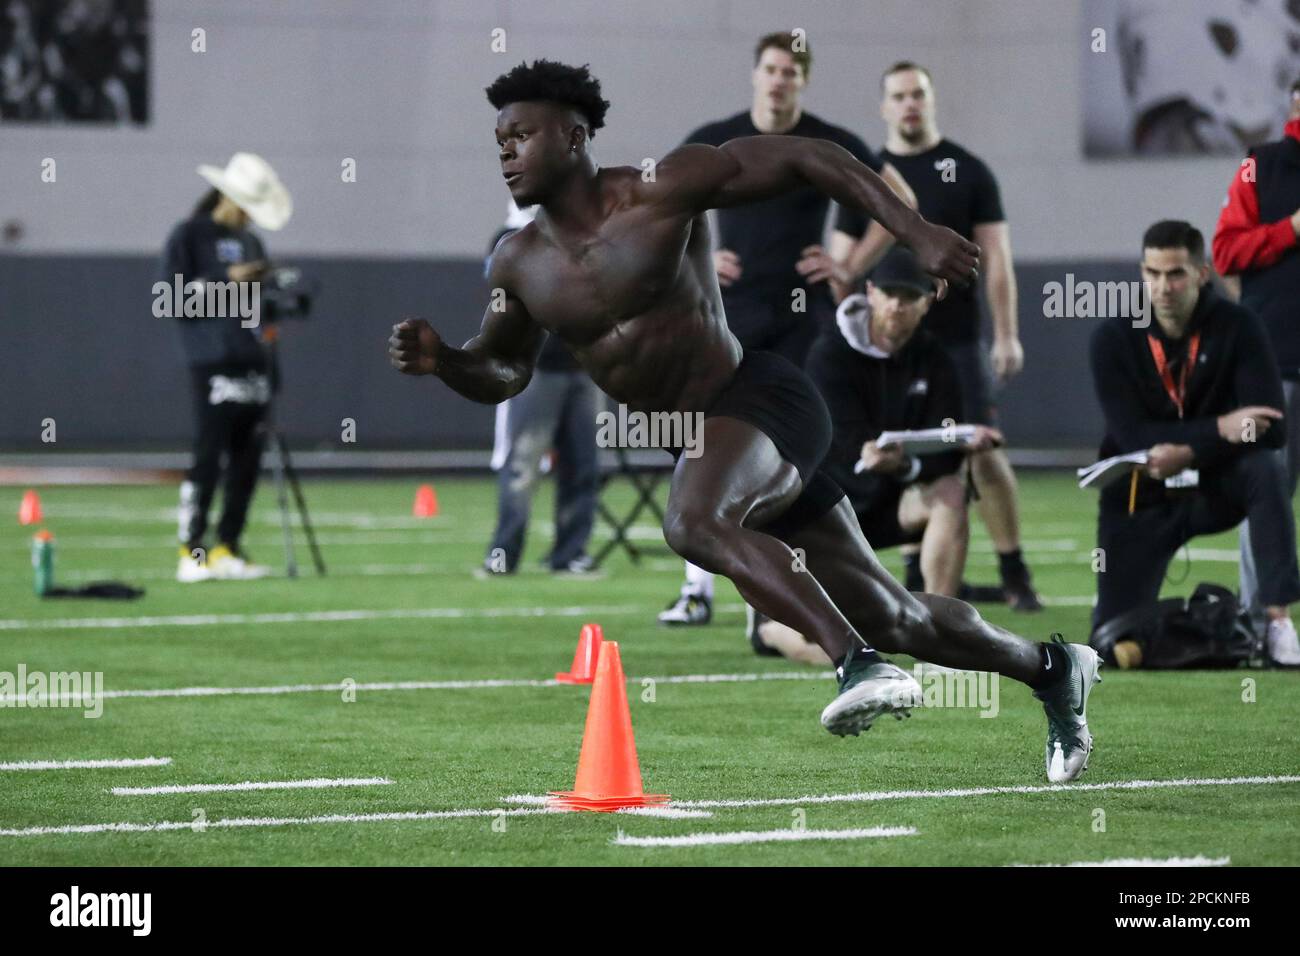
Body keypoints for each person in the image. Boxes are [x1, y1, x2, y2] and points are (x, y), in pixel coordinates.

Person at [389, 59, 1102, 782]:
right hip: (703, 447)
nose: (505, 152)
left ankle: (857, 664)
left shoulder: (661, 190)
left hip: (759, 401)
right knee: (898, 616)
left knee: (692, 523)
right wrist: (446, 360)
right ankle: (1051, 668)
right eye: (499, 140)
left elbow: (808, 157)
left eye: (522, 135)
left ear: (574, 137)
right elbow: (504, 369)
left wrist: (914, 231)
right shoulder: (517, 262)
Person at [659, 31, 915, 625]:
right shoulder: (716, 135)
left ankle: (800, 581)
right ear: (757, 75)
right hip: (731, 315)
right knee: (704, 442)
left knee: (803, 446)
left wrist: (849, 264)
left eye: (790, 72)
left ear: (803, 80)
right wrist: (689, 258)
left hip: (804, 315)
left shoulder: (826, 140)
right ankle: (698, 589)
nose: (779, 80)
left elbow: (898, 197)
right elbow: (658, 200)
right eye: (771, 70)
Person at [832, 62, 1042, 611]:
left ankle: (1013, 568)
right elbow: (840, 259)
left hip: (953, 342)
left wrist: (1007, 335)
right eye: (898, 96)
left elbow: (997, 259)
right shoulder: (865, 178)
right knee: (892, 450)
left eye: (918, 94)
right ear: (883, 106)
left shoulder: (968, 171)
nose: (909, 104)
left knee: (982, 454)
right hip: (886, 348)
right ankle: (921, 570)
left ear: (931, 100)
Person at [1088, 220, 1300, 666]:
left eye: (1177, 274)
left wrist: (1191, 450)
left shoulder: (1239, 325)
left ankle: (1276, 620)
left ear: (1203, 273)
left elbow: (1274, 428)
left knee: (1266, 468)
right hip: (1141, 493)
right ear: (1142, 273)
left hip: (1215, 484)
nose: (1164, 287)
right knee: (1112, 639)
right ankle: (1204, 636)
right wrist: (1220, 428)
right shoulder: (1112, 338)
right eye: (1154, 273)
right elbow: (1132, 436)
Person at [164, 152, 291, 582]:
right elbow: (171, 299)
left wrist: (275, 294)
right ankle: (192, 552)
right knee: (208, 455)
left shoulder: (253, 243)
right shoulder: (190, 235)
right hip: (211, 360)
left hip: (252, 359)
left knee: (246, 460)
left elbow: (257, 307)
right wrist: (227, 281)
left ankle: (227, 547)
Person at [1211, 77, 1300, 634]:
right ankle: (1266, 616)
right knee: (1270, 486)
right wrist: (1290, 228)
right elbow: (1224, 250)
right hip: (1282, 355)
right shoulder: (1259, 166)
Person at [481, 201, 600, 576]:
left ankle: (570, 552)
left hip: (583, 364)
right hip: (535, 367)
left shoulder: (582, 232)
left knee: (583, 464)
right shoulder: (509, 237)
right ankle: (503, 553)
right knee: (522, 466)